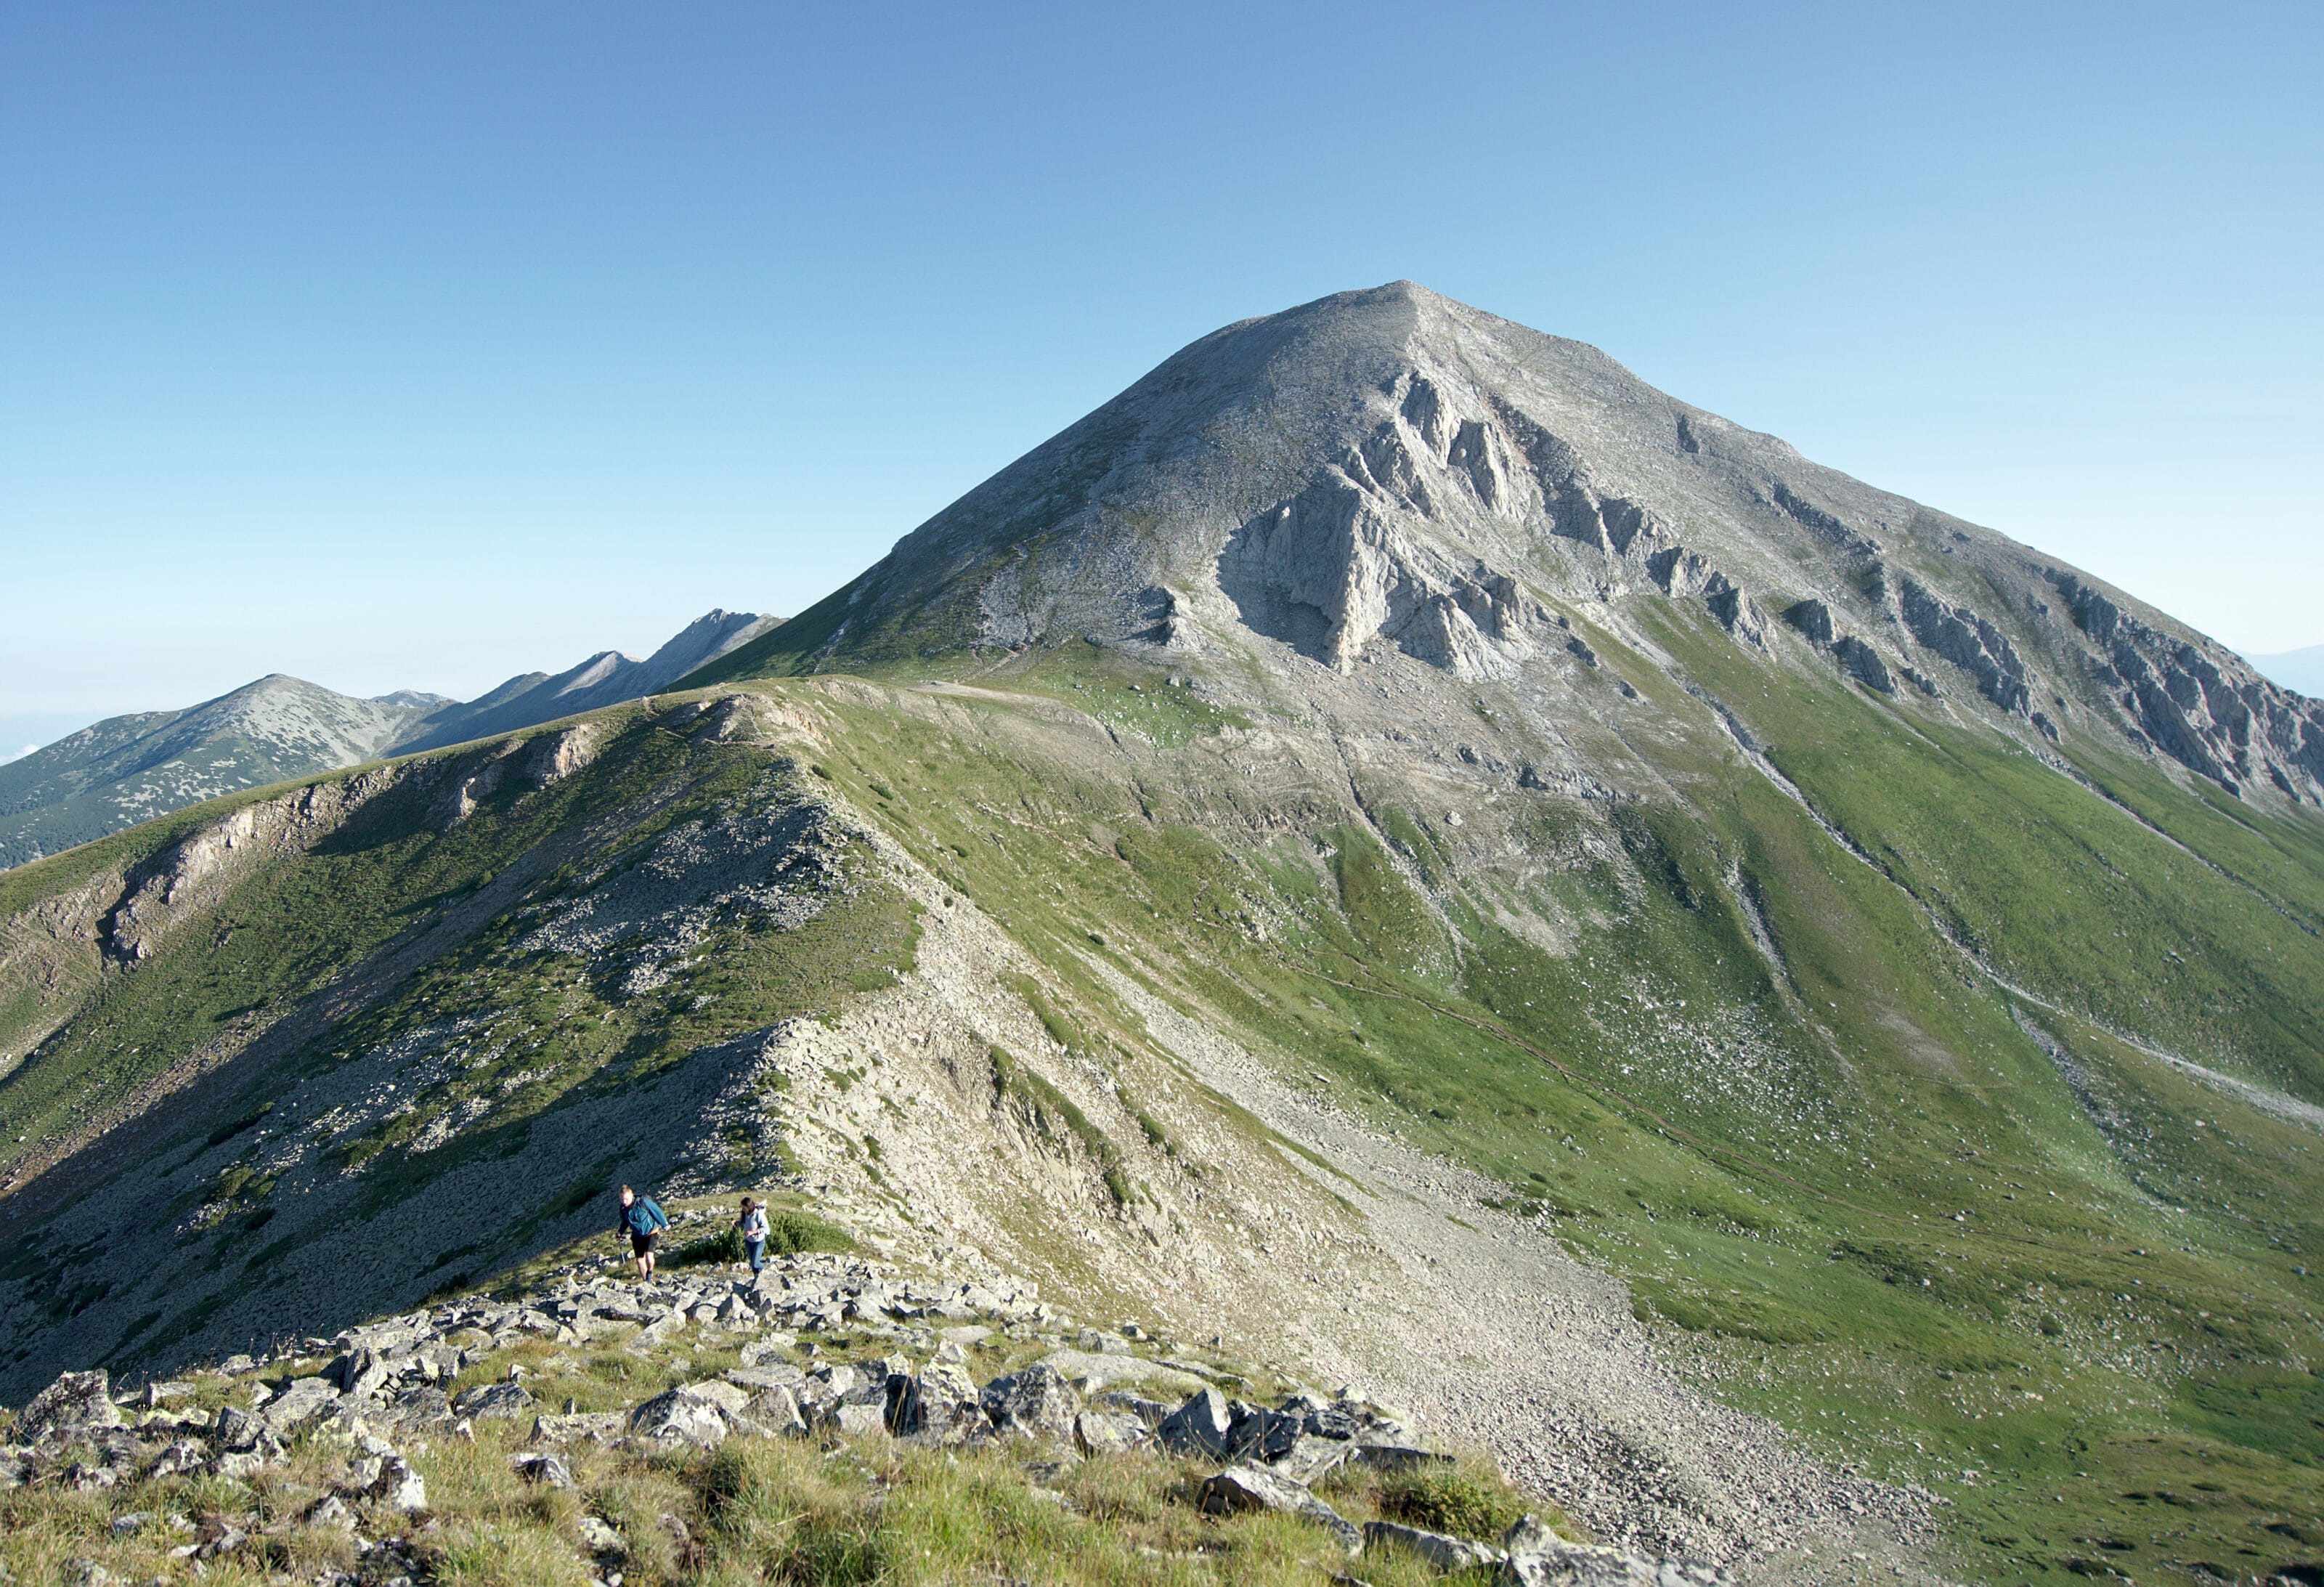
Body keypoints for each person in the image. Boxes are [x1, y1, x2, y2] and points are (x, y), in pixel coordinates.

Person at [617, 1184, 670, 1280]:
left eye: (626, 1199)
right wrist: (620, 1232)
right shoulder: (623, 1209)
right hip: (637, 1235)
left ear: (632, 1195)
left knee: (649, 1256)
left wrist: (665, 1224)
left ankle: (650, 1271)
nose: (624, 1202)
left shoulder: (643, 1202)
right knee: (640, 1260)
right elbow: (625, 1222)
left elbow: (657, 1211)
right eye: (622, 1200)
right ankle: (647, 1282)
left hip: (651, 1232)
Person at [736, 1197, 769, 1274]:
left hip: (759, 1242)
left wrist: (753, 1232)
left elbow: (766, 1228)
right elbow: (743, 1224)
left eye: (744, 1208)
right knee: (753, 1265)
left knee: (755, 1264)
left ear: (749, 1207)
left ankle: (767, 1267)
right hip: (748, 1242)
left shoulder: (759, 1215)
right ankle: (756, 1280)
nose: (743, 1209)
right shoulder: (745, 1214)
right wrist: (736, 1223)